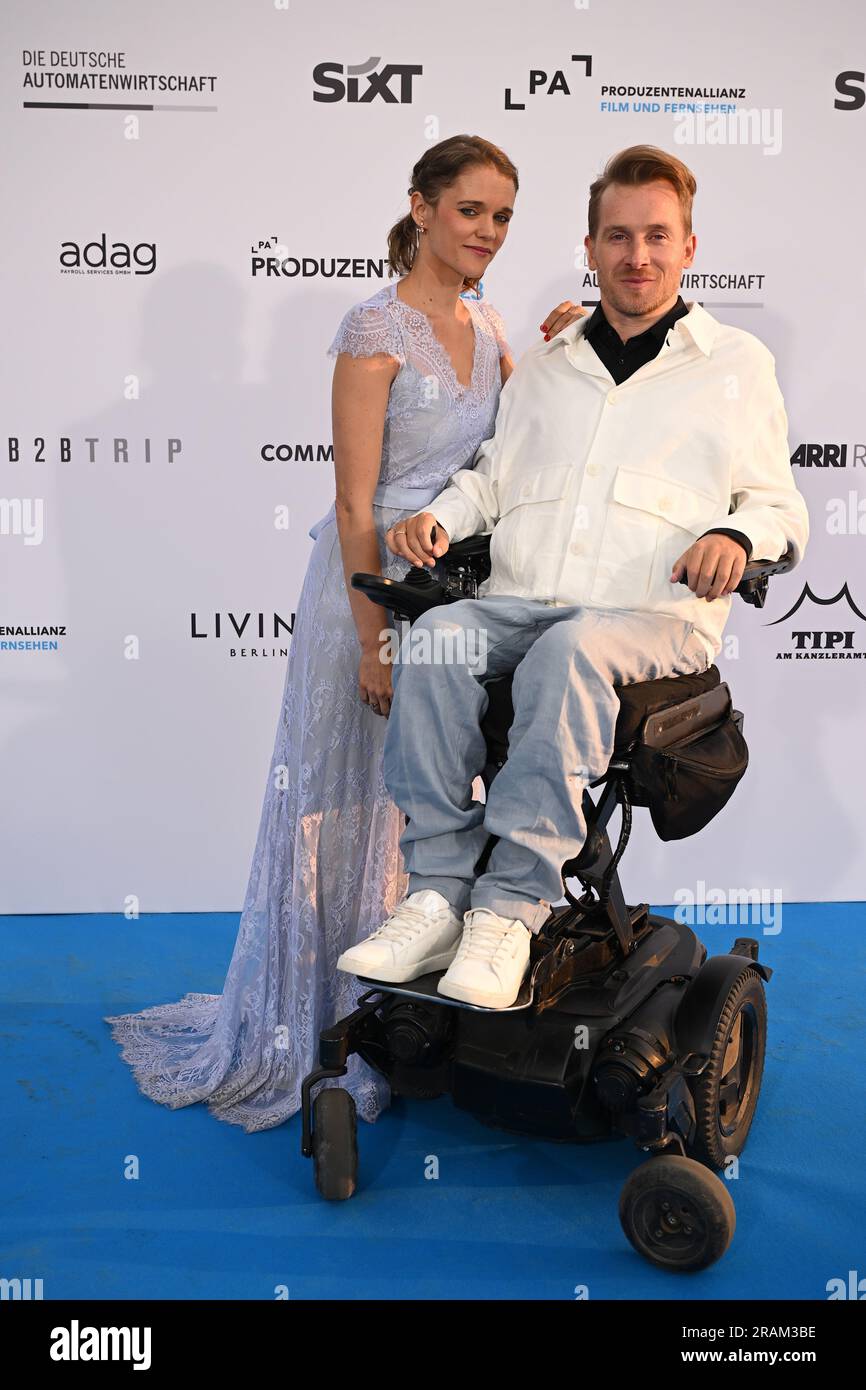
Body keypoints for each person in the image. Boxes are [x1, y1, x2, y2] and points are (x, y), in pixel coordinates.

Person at [103, 134, 586, 1130]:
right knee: (337, 805)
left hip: (451, 594)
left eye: (501, 216)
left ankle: (401, 1017)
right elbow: (356, 501)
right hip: (367, 595)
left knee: (415, 808)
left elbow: (505, 440)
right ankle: (308, 1025)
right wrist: (373, 637)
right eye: (468, 212)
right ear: (420, 207)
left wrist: (555, 345)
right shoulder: (373, 327)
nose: (486, 232)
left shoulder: (487, 321)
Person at [337, 144, 811, 1011]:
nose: (638, 255)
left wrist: (736, 534)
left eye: (657, 237)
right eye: (618, 237)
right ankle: (440, 890)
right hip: (525, 599)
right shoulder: (551, 364)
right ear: (589, 249)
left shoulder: (736, 364)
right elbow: (494, 477)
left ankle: (512, 907)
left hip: (649, 619)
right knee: (438, 635)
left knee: (572, 648)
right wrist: (445, 515)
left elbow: (780, 507)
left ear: (689, 248)